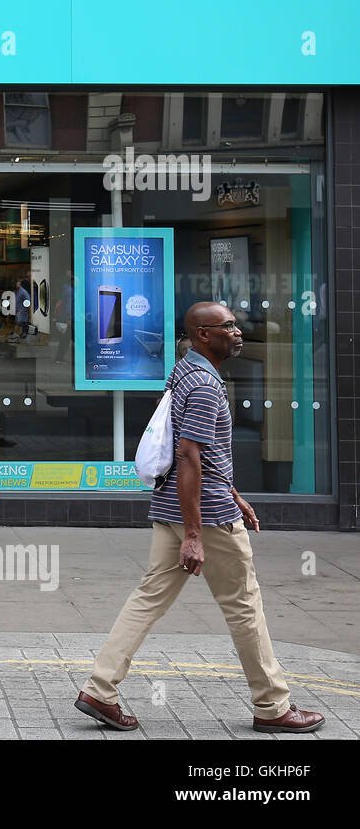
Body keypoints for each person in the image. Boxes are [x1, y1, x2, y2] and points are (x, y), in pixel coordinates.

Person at [75, 302, 324, 734]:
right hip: (205, 517)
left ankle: (99, 689)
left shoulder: (184, 370)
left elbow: (200, 452)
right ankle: (273, 707)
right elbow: (189, 454)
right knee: (244, 606)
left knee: (147, 599)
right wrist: (196, 534)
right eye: (227, 326)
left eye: (235, 324)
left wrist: (233, 492)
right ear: (203, 335)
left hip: (174, 505)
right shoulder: (206, 385)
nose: (238, 331)